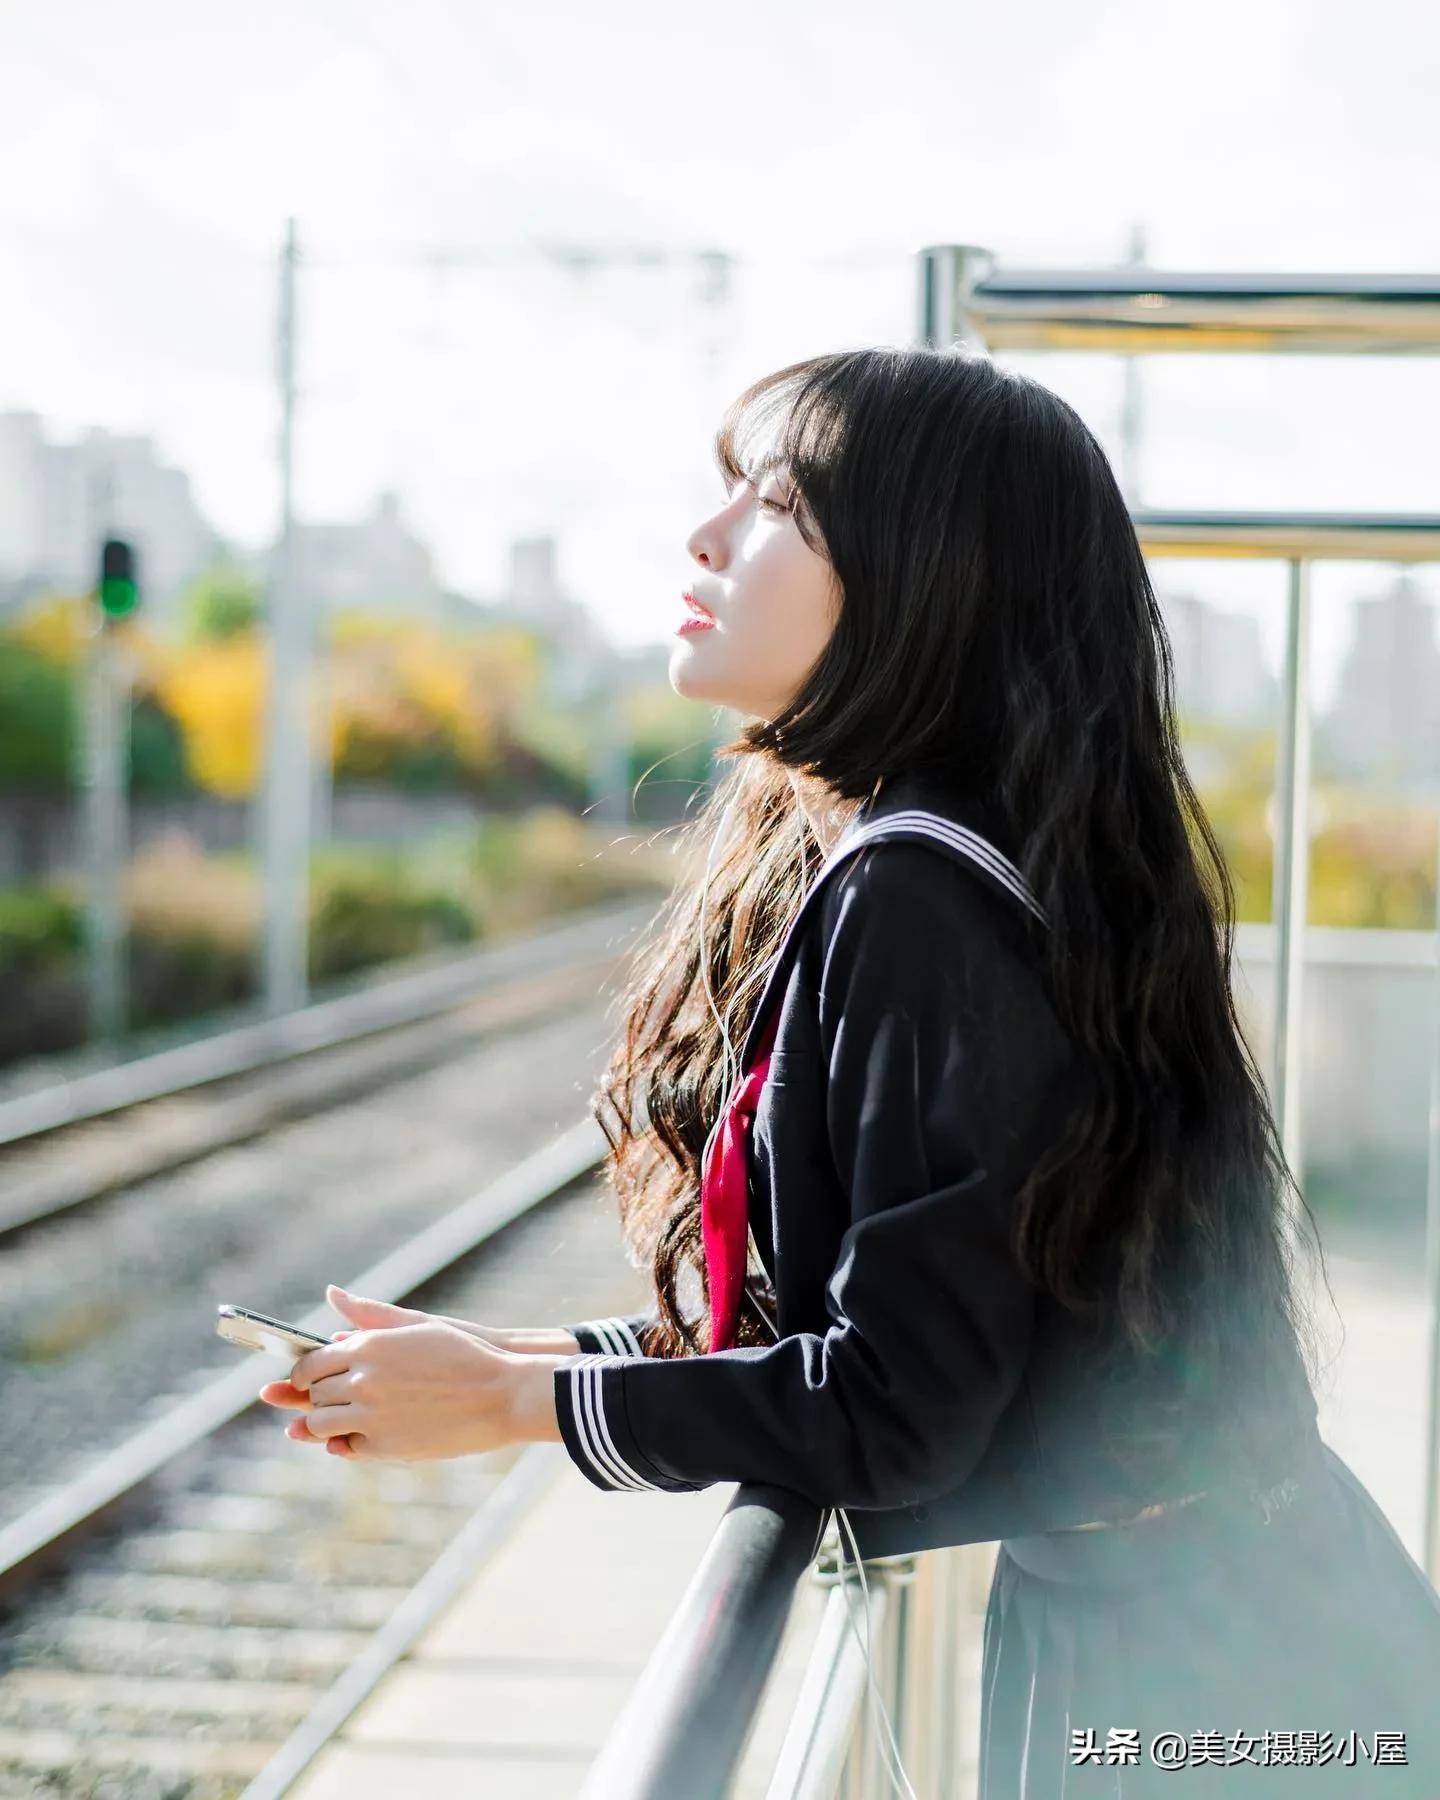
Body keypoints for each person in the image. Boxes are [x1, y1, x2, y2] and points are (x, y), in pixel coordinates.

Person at [260, 345, 1440, 1794]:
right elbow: (922, 1325)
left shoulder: (919, 897)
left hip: (1206, 1704)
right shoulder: (984, 861)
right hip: (1237, 1630)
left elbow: (897, 1401)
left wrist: (520, 1410)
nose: (707, 538)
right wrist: (514, 1364)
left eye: (777, 507)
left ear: (918, 576)